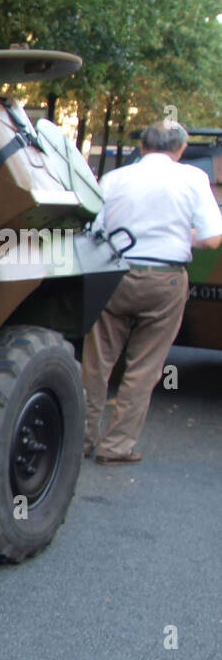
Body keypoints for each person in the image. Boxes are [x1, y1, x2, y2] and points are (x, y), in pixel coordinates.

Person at [82, 120, 222, 463]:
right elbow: (212, 239)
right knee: (144, 368)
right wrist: (182, 236)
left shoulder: (114, 178)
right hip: (165, 280)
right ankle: (116, 447)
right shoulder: (194, 179)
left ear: (143, 146)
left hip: (113, 273)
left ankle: (80, 438)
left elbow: (93, 229)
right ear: (181, 149)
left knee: (96, 362)